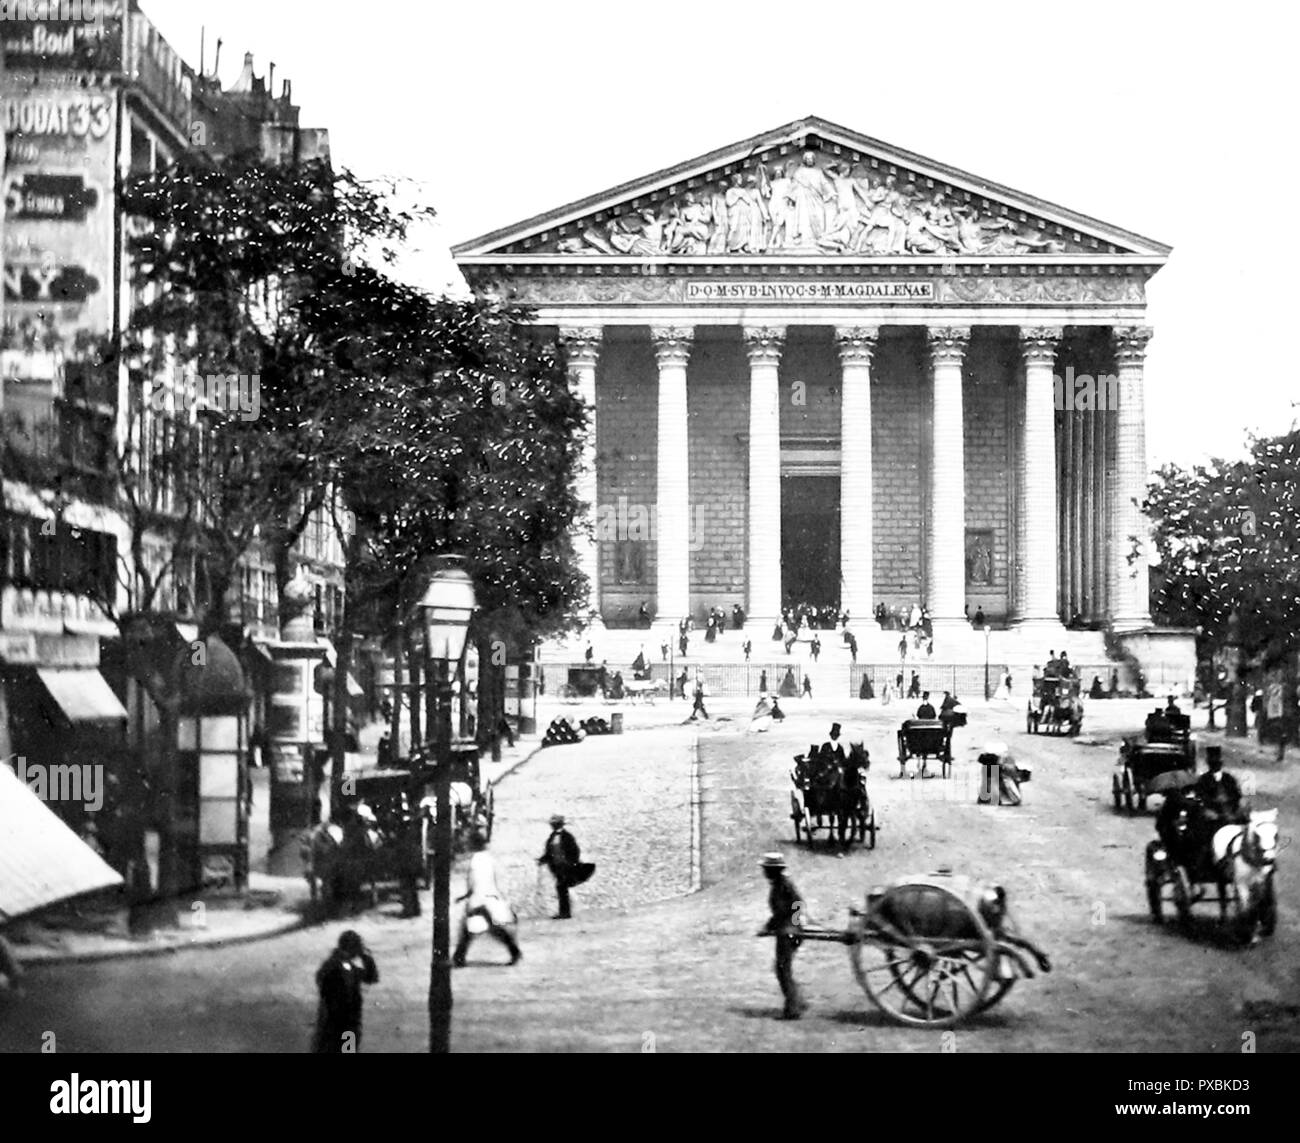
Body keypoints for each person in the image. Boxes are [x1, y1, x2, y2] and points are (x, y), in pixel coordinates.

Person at [454, 832, 521, 966]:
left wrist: (468, 895)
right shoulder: (488, 858)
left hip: (479, 898)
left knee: (471, 928)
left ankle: (459, 957)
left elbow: (474, 881)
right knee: (488, 928)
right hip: (489, 896)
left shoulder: (475, 860)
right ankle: (514, 951)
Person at [757, 853, 807, 1019]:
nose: (764, 872)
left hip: (788, 934)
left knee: (782, 969)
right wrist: (769, 926)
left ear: (773, 871)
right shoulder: (780, 884)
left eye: (766, 869)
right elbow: (781, 912)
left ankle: (794, 1007)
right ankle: (797, 1000)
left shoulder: (783, 885)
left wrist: (793, 924)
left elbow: (798, 904)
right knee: (783, 968)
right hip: (788, 931)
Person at [312, 930, 378, 1053]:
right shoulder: (337, 964)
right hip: (336, 1023)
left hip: (346, 1023)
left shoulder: (345, 965)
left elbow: (371, 977)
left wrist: (365, 957)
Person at [537, 814, 590, 920]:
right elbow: (549, 852)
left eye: (554, 824)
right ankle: (565, 912)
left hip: (566, 866)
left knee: (561, 887)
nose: (552, 826)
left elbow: (575, 851)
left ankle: (565, 913)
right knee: (561, 887)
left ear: (558, 824)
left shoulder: (567, 837)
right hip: (557, 867)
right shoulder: (552, 837)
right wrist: (542, 860)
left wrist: (572, 863)